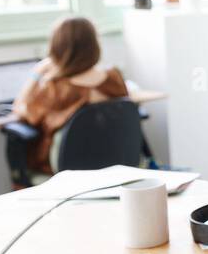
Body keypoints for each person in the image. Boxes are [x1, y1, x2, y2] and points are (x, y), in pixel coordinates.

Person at [13, 16, 128, 175]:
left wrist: (37, 73)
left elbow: (20, 108)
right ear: (95, 46)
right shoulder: (114, 79)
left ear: (56, 50)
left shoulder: (54, 90)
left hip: (67, 174)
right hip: (114, 168)